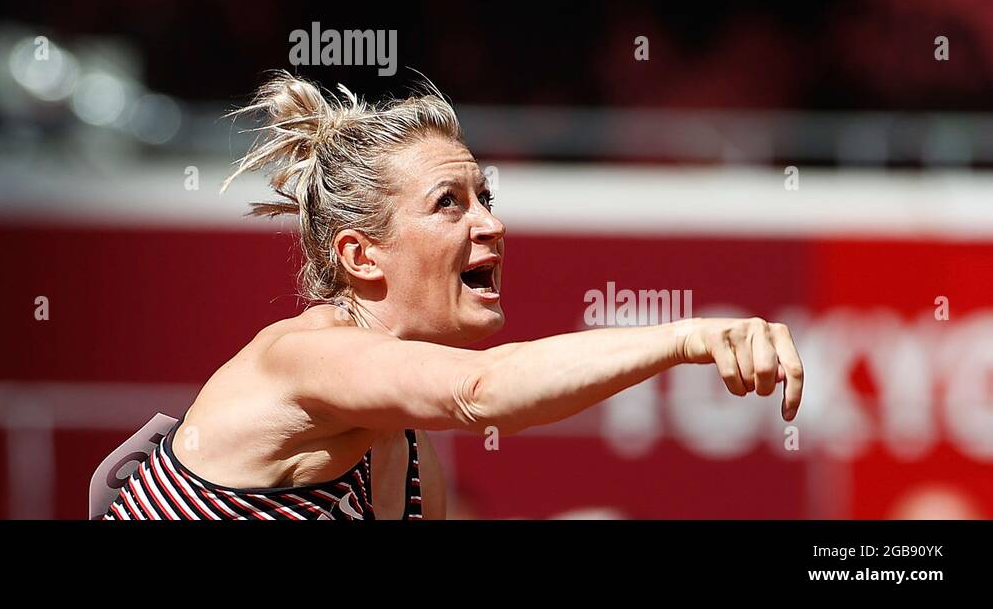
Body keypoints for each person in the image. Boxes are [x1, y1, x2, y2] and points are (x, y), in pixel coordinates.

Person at [101, 71, 804, 520]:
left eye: (486, 196)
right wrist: (687, 337)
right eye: (450, 203)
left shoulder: (410, 467)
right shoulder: (300, 358)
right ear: (360, 254)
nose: (491, 223)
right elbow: (481, 391)